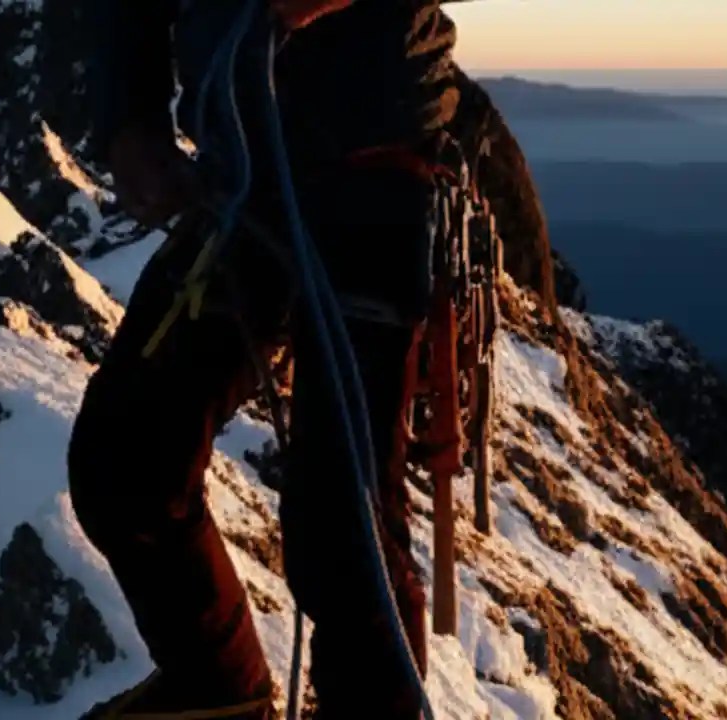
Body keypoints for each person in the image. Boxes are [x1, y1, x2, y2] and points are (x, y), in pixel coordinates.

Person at [67, 0, 460, 717]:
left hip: (377, 161)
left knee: (345, 533)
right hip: (244, 163)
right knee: (125, 460)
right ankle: (218, 694)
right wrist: (129, 115)